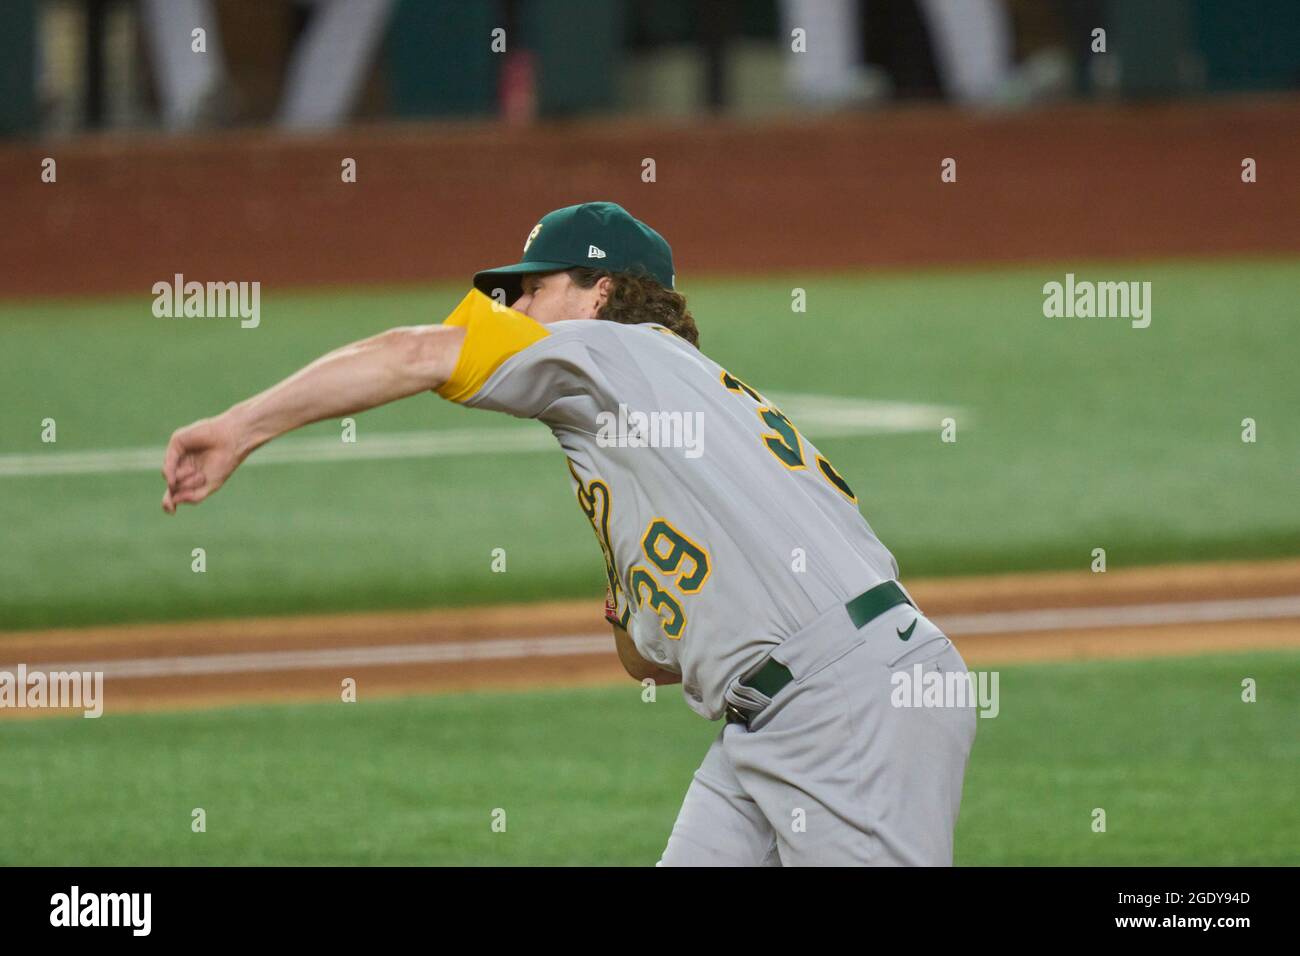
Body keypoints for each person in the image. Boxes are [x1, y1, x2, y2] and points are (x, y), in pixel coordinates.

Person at [160, 201, 976, 866]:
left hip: (851, 711)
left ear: (598, 293)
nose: (509, 309)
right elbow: (649, 659)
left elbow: (413, 353)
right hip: (779, 717)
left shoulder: (611, 351)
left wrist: (241, 427)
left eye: (529, 288)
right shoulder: (655, 427)